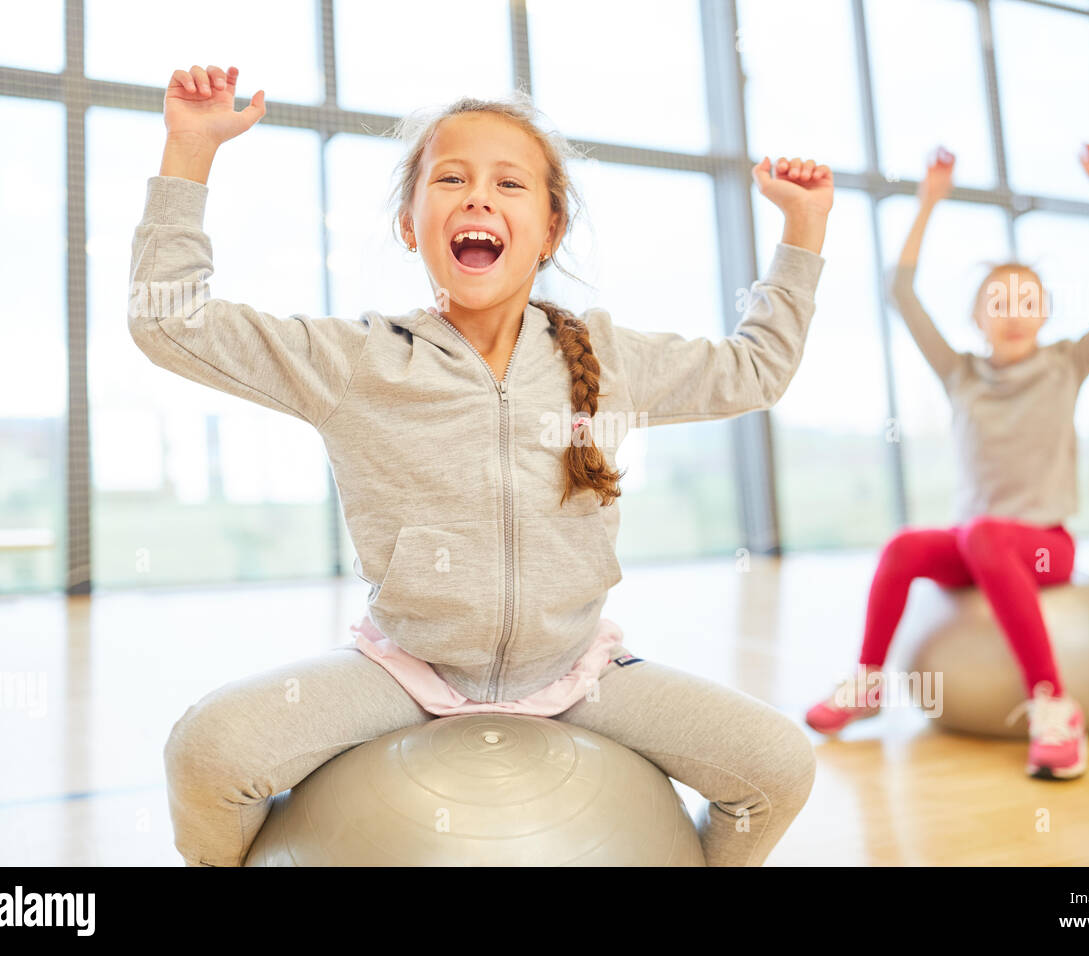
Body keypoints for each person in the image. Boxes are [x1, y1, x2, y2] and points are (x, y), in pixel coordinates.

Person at [133, 65, 832, 865]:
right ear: (410, 222)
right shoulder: (359, 358)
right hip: (407, 672)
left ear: (550, 228)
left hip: (576, 674)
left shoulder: (607, 355)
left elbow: (756, 371)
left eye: (510, 183)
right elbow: (170, 322)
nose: (478, 198)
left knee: (779, 765)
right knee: (207, 753)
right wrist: (189, 151)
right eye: (451, 179)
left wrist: (802, 232)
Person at [804, 143, 1089, 781]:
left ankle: (1055, 706)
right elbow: (900, 291)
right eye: (1000, 302)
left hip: (1045, 548)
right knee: (905, 548)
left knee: (987, 533)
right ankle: (868, 683)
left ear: (1045, 313)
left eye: (1028, 301)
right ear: (978, 317)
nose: (1015, 313)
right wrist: (928, 203)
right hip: (980, 549)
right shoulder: (960, 374)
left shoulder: (1066, 366)